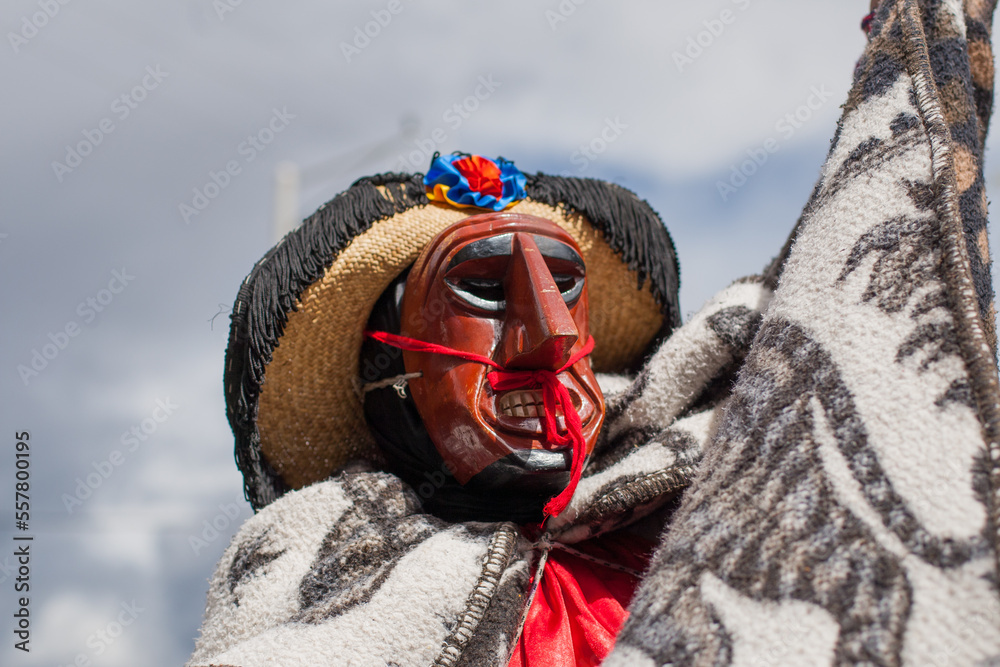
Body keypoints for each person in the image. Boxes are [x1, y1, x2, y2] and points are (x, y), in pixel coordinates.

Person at [190, 2, 1000, 664]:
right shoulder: (304, 573)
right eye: (481, 288)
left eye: (566, 285)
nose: (547, 334)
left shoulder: (718, 483)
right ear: (383, 369)